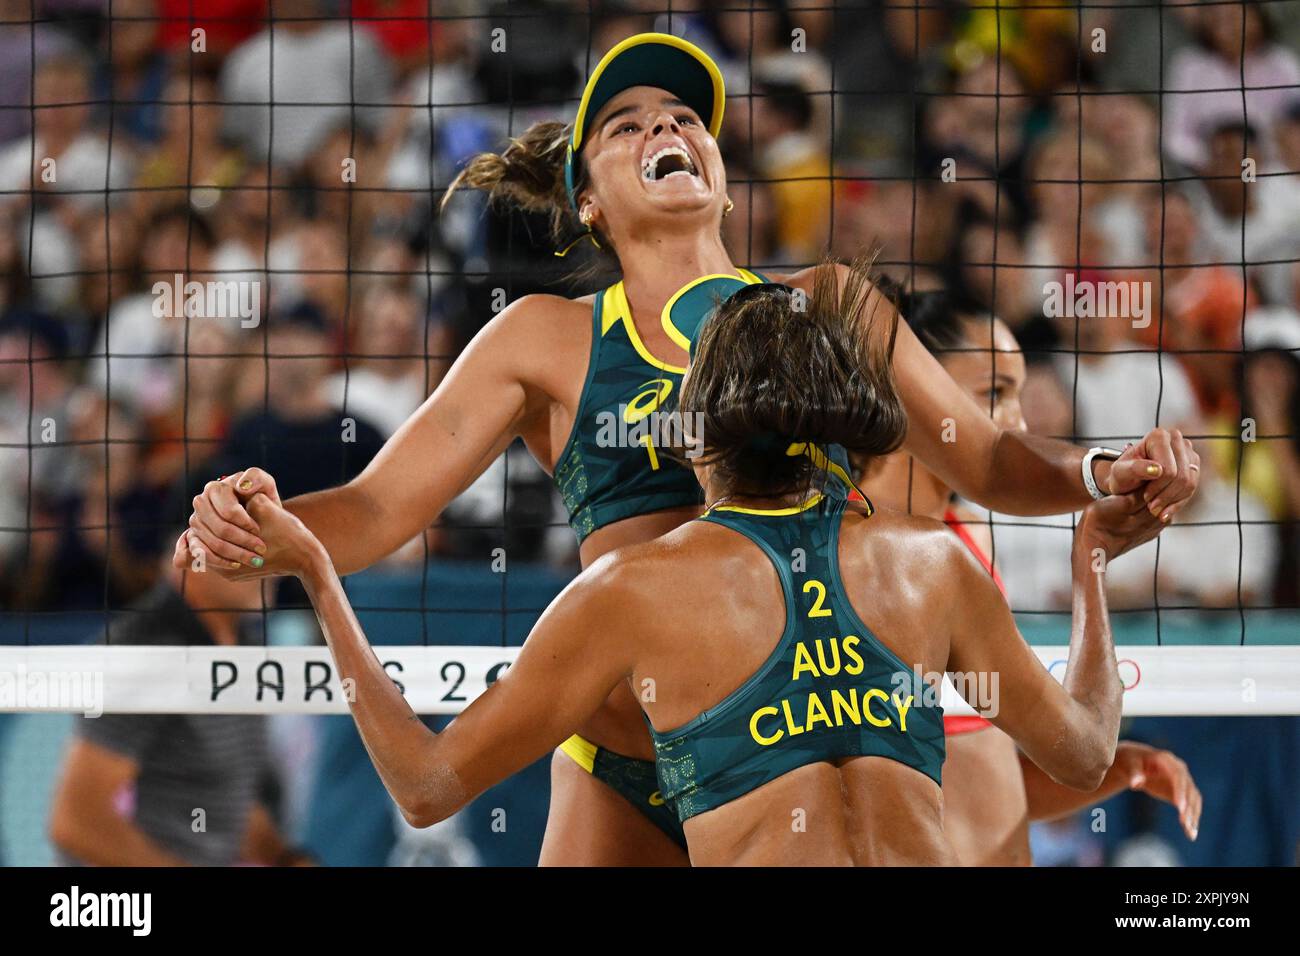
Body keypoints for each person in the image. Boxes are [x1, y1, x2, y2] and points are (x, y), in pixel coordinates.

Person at [176, 33, 1199, 866]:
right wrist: (244, 531)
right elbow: (369, 512)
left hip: (813, 727)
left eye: (683, 117)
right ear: (585, 197)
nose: (666, 125)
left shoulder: (822, 305)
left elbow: (991, 463)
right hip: (623, 758)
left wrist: (1105, 472)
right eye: (627, 125)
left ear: (714, 162)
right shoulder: (547, 336)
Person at [238, 259, 1167, 865]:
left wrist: (319, 574)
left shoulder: (630, 593)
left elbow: (426, 786)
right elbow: (1085, 753)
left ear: (689, 439)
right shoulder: (936, 563)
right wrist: (1089, 558)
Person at [863, 290, 1203, 866]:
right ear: (918, 397)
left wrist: (1122, 767)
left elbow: (986, 780)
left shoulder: (971, 532)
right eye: (993, 394)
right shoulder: (854, 549)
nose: (1018, 422)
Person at [48, 558, 311, 866]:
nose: (273, 568)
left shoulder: (245, 650)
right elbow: (77, 823)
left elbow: (228, 805)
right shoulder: (143, 649)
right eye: (250, 551)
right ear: (193, 555)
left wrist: (287, 859)